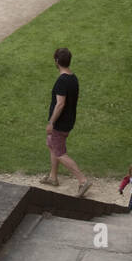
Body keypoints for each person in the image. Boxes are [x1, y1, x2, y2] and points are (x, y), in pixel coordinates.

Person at [43, 47, 89, 196]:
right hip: (69, 120)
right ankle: (53, 177)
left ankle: (83, 180)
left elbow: (60, 104)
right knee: (51, 144)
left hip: (60, 123)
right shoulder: (73, 77)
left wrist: (51, 122)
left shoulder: (62, 81)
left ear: (56, 61)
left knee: (60, 152)